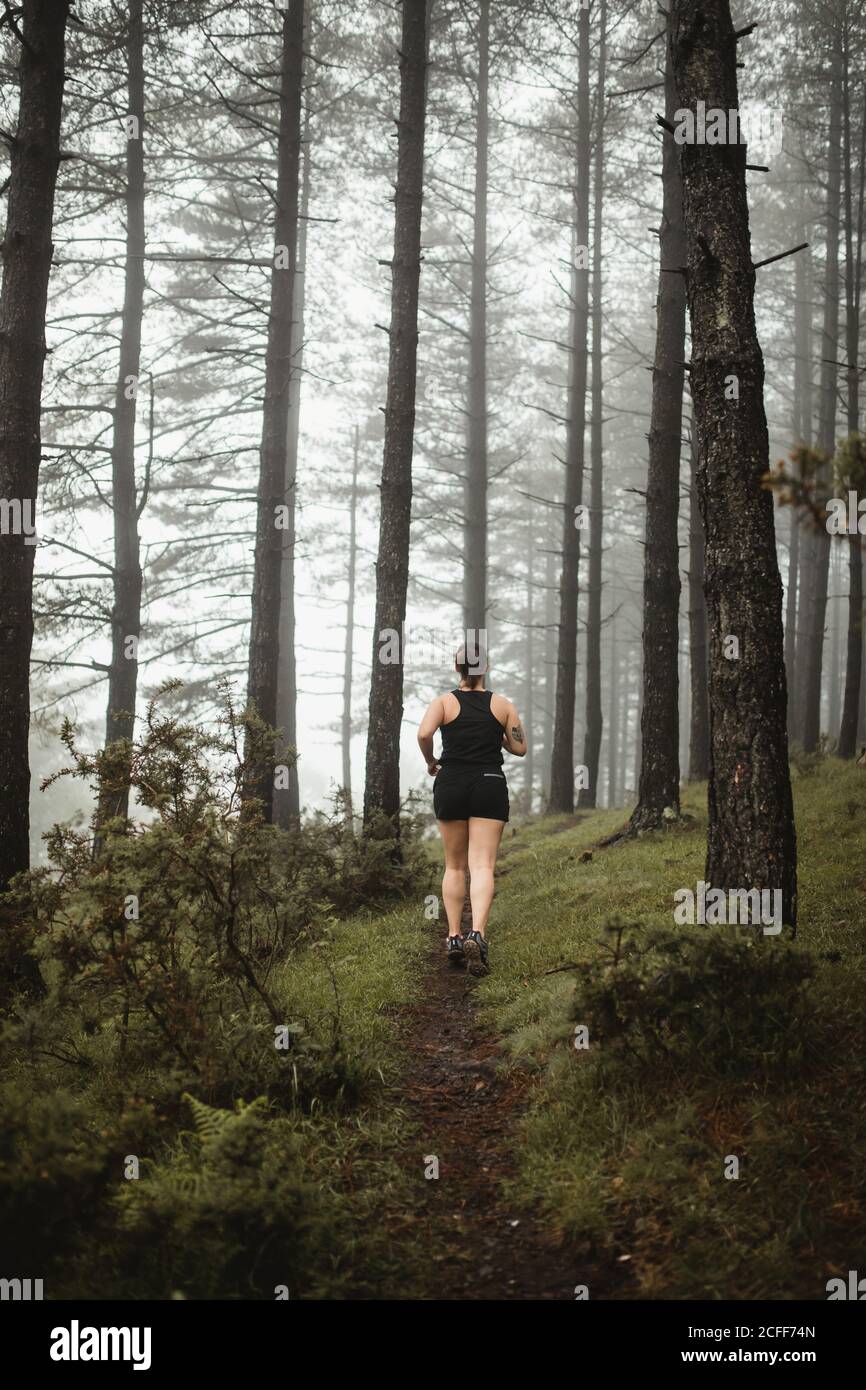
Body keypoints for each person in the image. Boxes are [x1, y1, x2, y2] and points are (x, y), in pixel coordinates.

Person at [417, 644, 527, 974]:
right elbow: (519, 747)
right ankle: (477, 935)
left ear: (457, 668)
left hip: (451, 782)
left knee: (454, 866)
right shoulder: (503, 705)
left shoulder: (444, 702)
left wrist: (431, 760)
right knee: (482, 866)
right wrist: (500, 737)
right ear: (486, 668)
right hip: (489, 783)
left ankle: (453, 937)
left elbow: (423, 733)